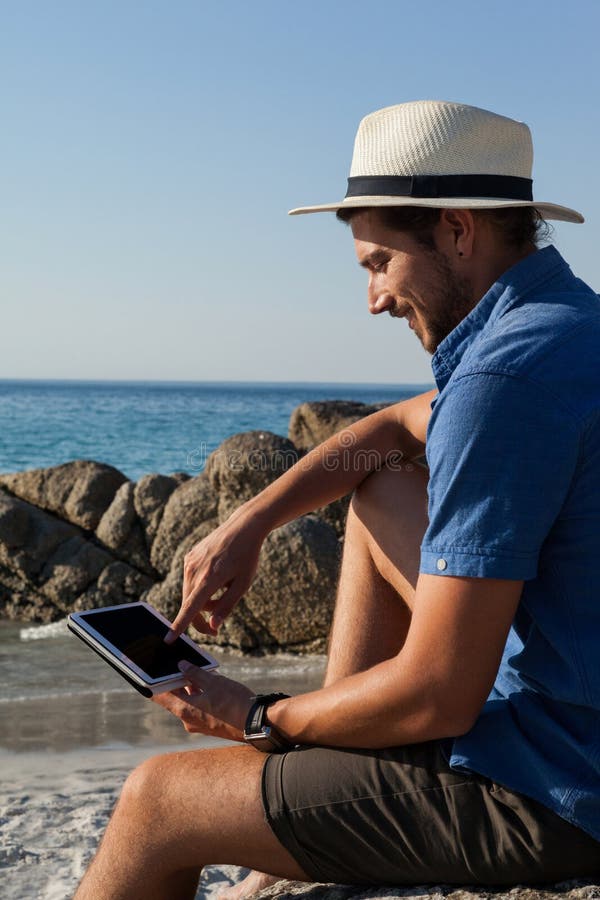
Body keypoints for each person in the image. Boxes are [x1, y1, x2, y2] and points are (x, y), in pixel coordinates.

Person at [74, 101, 600, 900]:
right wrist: (249, 522)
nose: (373, 300)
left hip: (559, 784)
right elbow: (389, 431)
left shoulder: (504, 383)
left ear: (458, 232)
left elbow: (441, 694)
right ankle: (317, 778)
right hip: (574, 717)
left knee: (156, 804)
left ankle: (299, 775)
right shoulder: (563, 327)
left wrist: (259, 718)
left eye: (377, 264)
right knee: (384, 490)